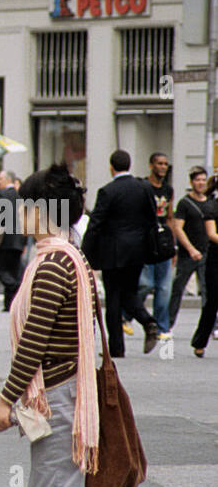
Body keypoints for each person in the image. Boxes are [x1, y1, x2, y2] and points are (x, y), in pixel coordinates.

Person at [0, 162, 98, 487]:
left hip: (57, 397)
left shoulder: (54, 263)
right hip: (57, 394)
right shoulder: (63, 256)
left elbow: (35, 339)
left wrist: (4, 400)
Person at [80, 149, 161, 358]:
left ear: (111, 167)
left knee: (114, 299)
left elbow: (96, 223)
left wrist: (85, 252)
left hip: (113, 253)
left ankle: (117, 347)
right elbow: (152, 219)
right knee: (130, 293)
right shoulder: (143, 188)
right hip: (137, 251)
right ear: (129, 165)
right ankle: (148, 321)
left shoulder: (107, 191)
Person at [169, 166, 213, 333]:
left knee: (208, 294)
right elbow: (178, 228)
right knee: (177, 289)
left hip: (207, 253)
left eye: (203, 179)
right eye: (197, 180)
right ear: (191, 182)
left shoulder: (210, 203)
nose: (200, 183)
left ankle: (209, 327)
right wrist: (190, 249)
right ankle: (167, 325)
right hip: (188, 254)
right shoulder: (184, 203)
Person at [141, 151, 180, 338]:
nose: (163, 167)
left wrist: (173, 247)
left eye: (166, 164)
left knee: (164, 287)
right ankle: (129, 312)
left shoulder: (168, 190)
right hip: (147, 239)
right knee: (146, 284)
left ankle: (161, 327)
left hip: (163, 240)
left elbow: (170, 217)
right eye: (160, 163)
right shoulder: (143, 186)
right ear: (151, 165)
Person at [0, 170, 26, 311]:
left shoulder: (3, 195)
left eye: (0, 178)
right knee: (13, 270)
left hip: (5, 241)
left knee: (0, 270)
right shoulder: (20, 196)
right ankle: (9, 304)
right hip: (18, 240)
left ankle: (15, 287)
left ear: (7, 179)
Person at [189, 174, 218, 358]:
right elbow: (211, 234)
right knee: (213, 302)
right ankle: (200, 342)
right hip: (216, 260)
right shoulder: (212, 206)